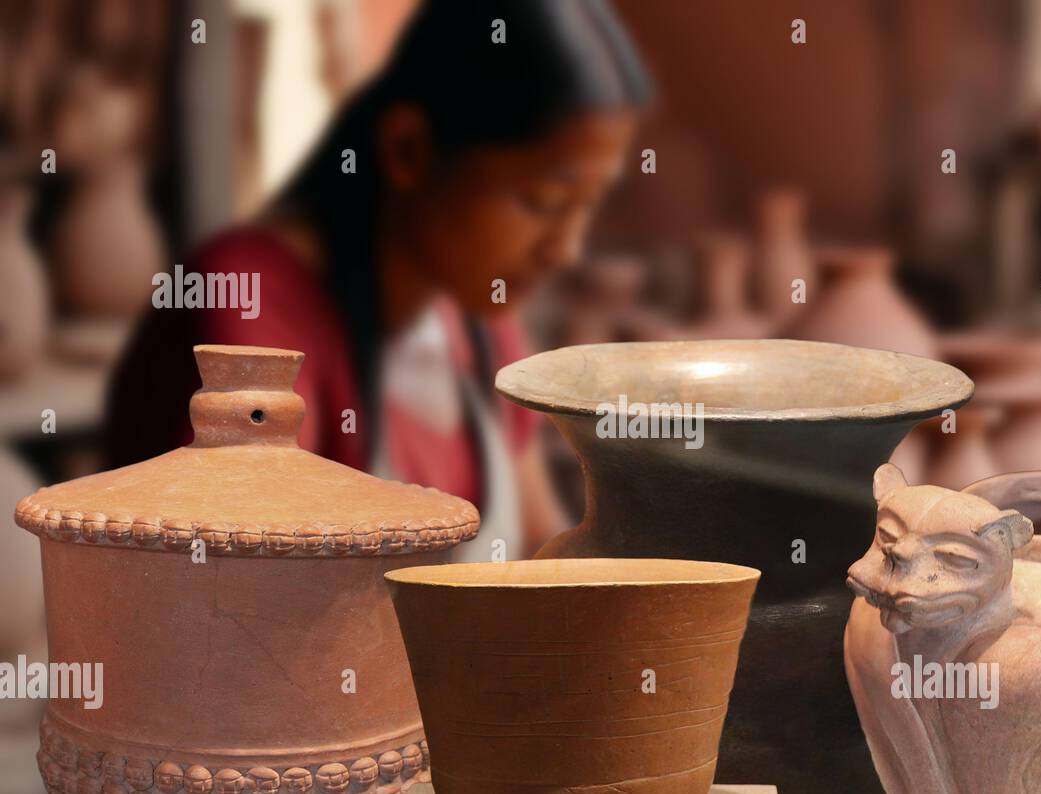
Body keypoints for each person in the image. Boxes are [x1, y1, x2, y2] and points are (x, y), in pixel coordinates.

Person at [106, 0, 651, 558]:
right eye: (544, 201)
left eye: (587, 207)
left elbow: (541, 553)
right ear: (408, 150)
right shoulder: (246, 302)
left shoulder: (479, 314)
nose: (566, 250)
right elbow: (242, 605)